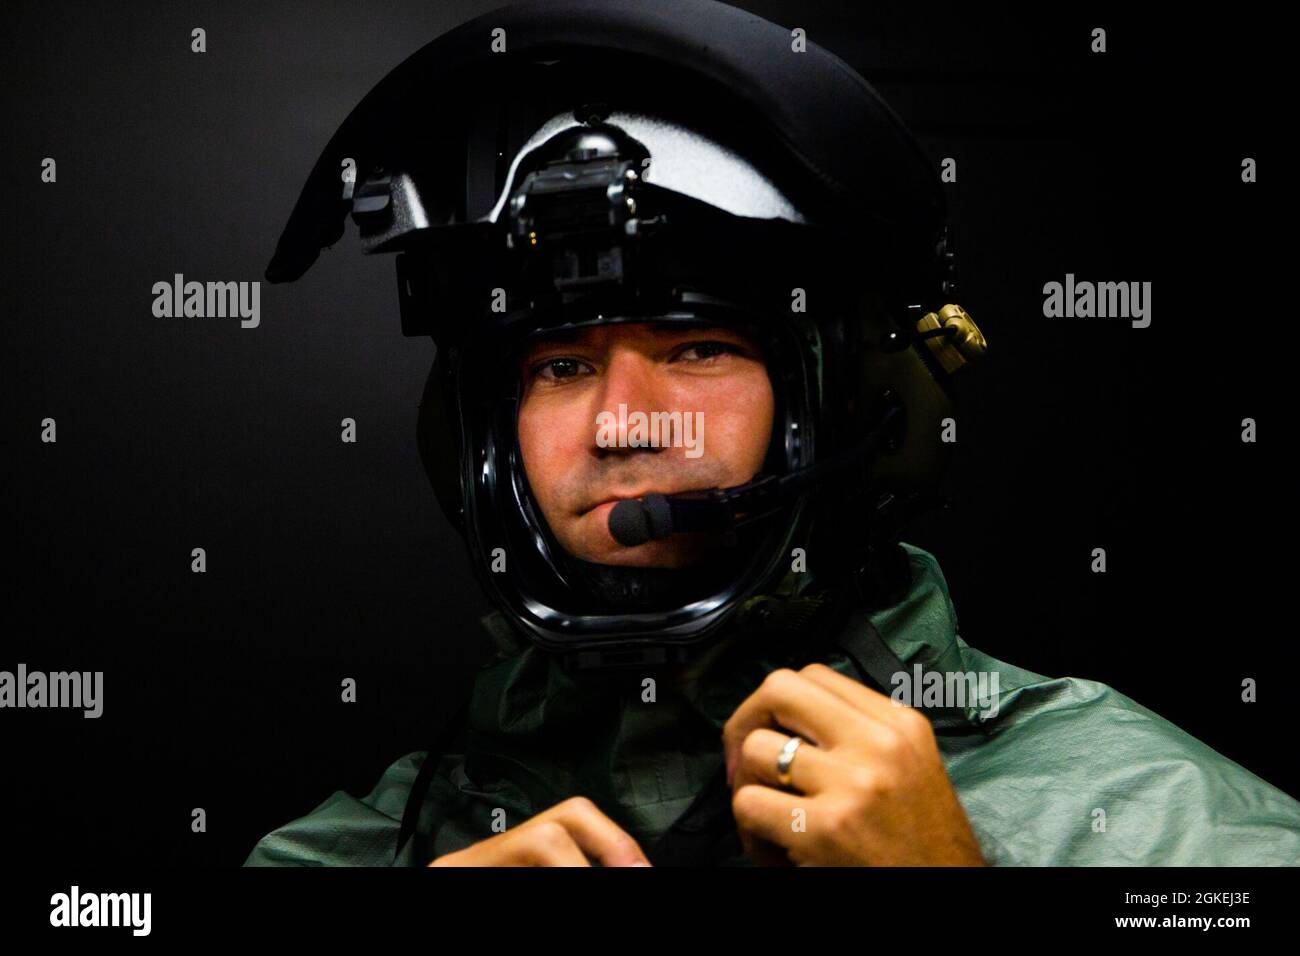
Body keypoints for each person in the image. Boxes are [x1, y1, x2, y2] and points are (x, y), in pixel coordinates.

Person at [244, 0, 1300, 866]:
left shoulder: (1163, 824)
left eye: (698, 347)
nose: (619, 423)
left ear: (856, 401)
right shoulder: (365, 847)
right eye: (559, 367)